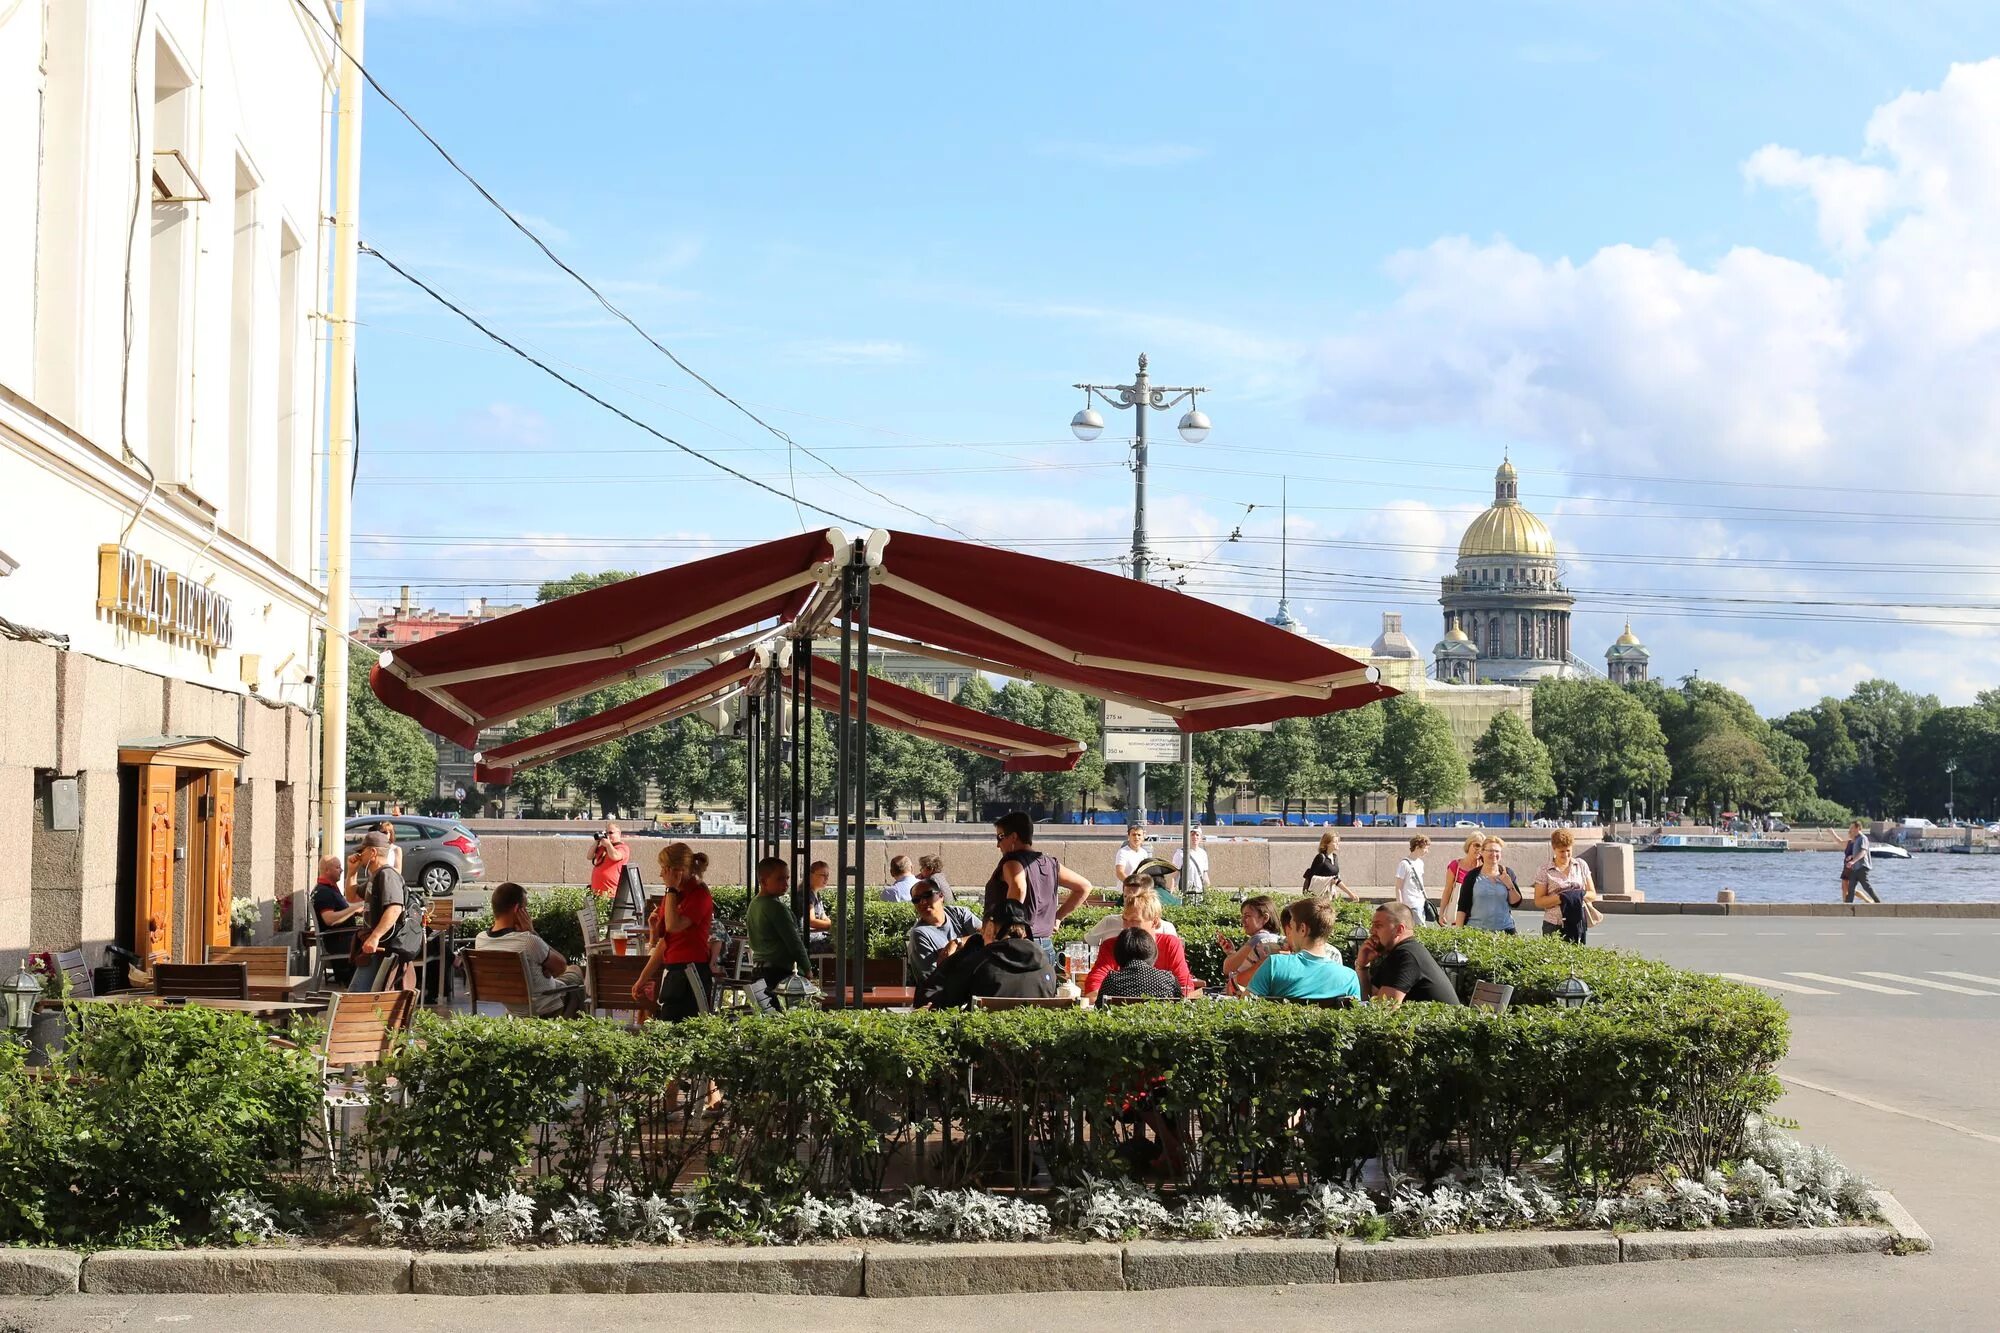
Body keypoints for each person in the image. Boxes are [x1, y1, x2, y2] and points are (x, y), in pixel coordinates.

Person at [986, 811, 1092, 966]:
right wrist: (1057, 918)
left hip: (1018, 946)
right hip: (1045, 945)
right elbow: (1084, 887)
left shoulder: (1012, 863)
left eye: (1000, 837)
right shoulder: (1050, 863)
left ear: (1014, 836)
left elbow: (1019, 888)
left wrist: (1007, 929)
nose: (998, 844)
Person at [474, 881, 584, 1016]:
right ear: (517, 909)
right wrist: (532, 932)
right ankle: (581, 1025)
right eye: (525, 908)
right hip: (545, 1006)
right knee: (575, 971)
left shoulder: (480, 940)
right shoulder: (528, 941)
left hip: (513, 1007)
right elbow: (561, 967)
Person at [634, 841, 715, 1019]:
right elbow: (666, 941)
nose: (661, 874)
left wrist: (670, 888)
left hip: (692, 971)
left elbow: (674, 925)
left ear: (677, 871)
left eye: (664, 868)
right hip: (674, 970)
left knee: (680, 1025)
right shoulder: (673, 896)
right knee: (667, 1021)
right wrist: (643, 977)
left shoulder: (698, 894)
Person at [929, 901, 1059, 1008]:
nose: (981, 936)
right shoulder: (1046, 967)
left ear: (990, 928)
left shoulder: (978, 962)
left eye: (983, 930)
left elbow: (946, 1003)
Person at [1083, 885, 1195, 996]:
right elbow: (1094, 982)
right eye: (1125, 919)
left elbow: (1185, 986)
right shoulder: (1112, 945)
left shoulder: (1169, 944)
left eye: (1135, 921)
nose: (1127, 926)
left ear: (1155, 922)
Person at [1246, 897, 1361, 1002]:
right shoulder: (1350, 978)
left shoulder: (1274, 965)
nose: (1289, 933)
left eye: (1292, 926)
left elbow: (1246, 1006)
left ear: (1302, 929)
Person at [348, 833, 418, 993]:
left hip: (382, 947)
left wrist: (375, 937)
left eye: (362, 851)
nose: (359, 855)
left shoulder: (387, 875)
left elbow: (394, 908)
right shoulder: (376, 876)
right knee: (363, 994)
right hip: (375, 947)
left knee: (357, 994)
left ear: (372, 852)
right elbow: (352, 896)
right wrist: (352, 872)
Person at [1355, 902, 1461, 1007]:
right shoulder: (1404, 951)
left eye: (1378, 925)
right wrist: (1362, 966)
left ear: (1399, 929)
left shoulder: (1406, 955)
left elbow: (1384, 1008)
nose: (1371, 930)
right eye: (1372, 925)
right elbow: (1370, 998)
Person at [743, 856, 812, 1001]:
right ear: (763, 881)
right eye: (780, 879)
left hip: (758, 971)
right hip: (777, 973)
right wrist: (807, 969)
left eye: (787, 878)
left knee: (765, 1012)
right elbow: (794, 942)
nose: (786, 883)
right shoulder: (776, 908)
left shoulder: (754, 904)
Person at [906, 877, 980, 1005]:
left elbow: (989, 935)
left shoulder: (959, 914)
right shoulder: (919, 934)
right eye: (916, 899)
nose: (923, 902)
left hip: (975, 986)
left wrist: (956, 942)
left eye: (927, 895)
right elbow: (932, 981)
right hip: (944, 999)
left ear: (941, 896)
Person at [1532, 827, 1598, 944]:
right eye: (1562, 851)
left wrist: (1576, 896)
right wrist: (1563, 898)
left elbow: (1592, 895)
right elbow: (1539, 901)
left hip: (1577, 921)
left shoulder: (1581, 865)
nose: (1566, 855)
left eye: (1568, 850)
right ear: (1554, 849)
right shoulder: (1544, 870)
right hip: (1554, 924)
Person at [1082, 876, 1182, 948]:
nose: (1128, 901)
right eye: (1125, 896)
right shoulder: (1109, 922)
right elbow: (1084, 945)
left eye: (1135, 897)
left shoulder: (1166, 928)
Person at [1453, 835, 1523, 933]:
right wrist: (1458, 933)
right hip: (1476, 931)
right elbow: (1462, 906)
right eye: (1490, 851)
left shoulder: (1507, 873)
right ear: (1482, 852)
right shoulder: (1472, 876)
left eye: (1497, 851)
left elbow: (1516, 903)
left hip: (1505, 931)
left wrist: (1509, 885)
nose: (1494, 854)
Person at [1216, 894, 1285, 993]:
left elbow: (1228, 968)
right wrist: (1231, 952)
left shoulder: (1258, 939)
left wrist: (1231, 954)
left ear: (1265, 918)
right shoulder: (1276, 939)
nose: (1242, 920)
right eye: (1242, 916)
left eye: (1247, 916)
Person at [311, 855, 363, 984]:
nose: (341, 870)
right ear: (327, 870)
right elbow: (329, 919)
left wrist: (355, 912)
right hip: (340, 943)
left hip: (344, 939)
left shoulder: (328, 889)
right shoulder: (324, 892)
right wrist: (354, 908)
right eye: (338, 867)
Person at [1096, 927, 1186, 1000]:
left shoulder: (1112, 981)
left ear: (1118, 954)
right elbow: (1181, 1005)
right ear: (1153, 952)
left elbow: (1100, 1009)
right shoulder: (1169, 980)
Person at [1304, 831, 1358, 900]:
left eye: (1338, 841)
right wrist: (1328, 880)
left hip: (1330, 894)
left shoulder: (1335, 857)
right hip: (1318, 896)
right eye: (1335, 841)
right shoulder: (1320, 857)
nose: (1338, 843)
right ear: (1327, 844)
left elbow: (1336, 879)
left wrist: (1351, 894)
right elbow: (1311, 877)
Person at [1395, 834, 1434, 922]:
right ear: (1417, 847)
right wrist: (1400, 905)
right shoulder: (1404, 864)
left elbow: (1420, 882)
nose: (1427, 851)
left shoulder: (1420, 863)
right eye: (1425, 848)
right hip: (1410, 902)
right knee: (1420, 927)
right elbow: (1398, 887)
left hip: (1421, 902)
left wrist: (1425, 898)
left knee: (1418, 928)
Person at [1841, 820, 1880, 903]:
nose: (1851, 830)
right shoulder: (1856, 839)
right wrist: (1851, 857)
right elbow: (1857, 852)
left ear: (1858, 828)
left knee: (1866, 886)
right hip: (1855, 868)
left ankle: (1878, 902)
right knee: (1851, 888)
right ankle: (1848, 906)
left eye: (1852, 828)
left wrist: (1852, 861)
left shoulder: (1863, 838)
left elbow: (1863, 852)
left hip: (1862, 867)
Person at [588, 821, 629, 900]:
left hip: (610, 893)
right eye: (606, 833)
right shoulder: (603, 848)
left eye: (611, 833)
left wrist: (608, 845)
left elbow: (615, 857)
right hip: (596, 891)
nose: (608, 835)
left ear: (619, 833)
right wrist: (597, 842)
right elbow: (589, 856)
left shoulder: (623, 848)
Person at [1445, 832, 1483, 905]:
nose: (1479, 849)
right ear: (1468, 845)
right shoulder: (1455, 865)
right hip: (1458, 909)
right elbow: (1447, 891)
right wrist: (1442, 911)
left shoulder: (1484, 868)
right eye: (1477, 845)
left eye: (1482, 847)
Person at [1171, 827, 1210, 896]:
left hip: (1199, 894)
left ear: (1200, 838)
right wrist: (1171, 892)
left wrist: (1209, 891)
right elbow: (1174, 876)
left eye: (1197, 835)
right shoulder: (1180, 854)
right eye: (1192, 834)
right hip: (1185, 894)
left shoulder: (1203, 853)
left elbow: (1205, 875)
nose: (1195, 837)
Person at [806, 860, 834, 950]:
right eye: (823, 875)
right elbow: (811, 921)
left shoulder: (816, 894)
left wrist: (831, 924)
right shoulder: (807, 894)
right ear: (811, 875)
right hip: (807, 938)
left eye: (827, 876)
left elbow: (823, 917)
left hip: (815, 935)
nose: (826, 879)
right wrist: (833, 926)